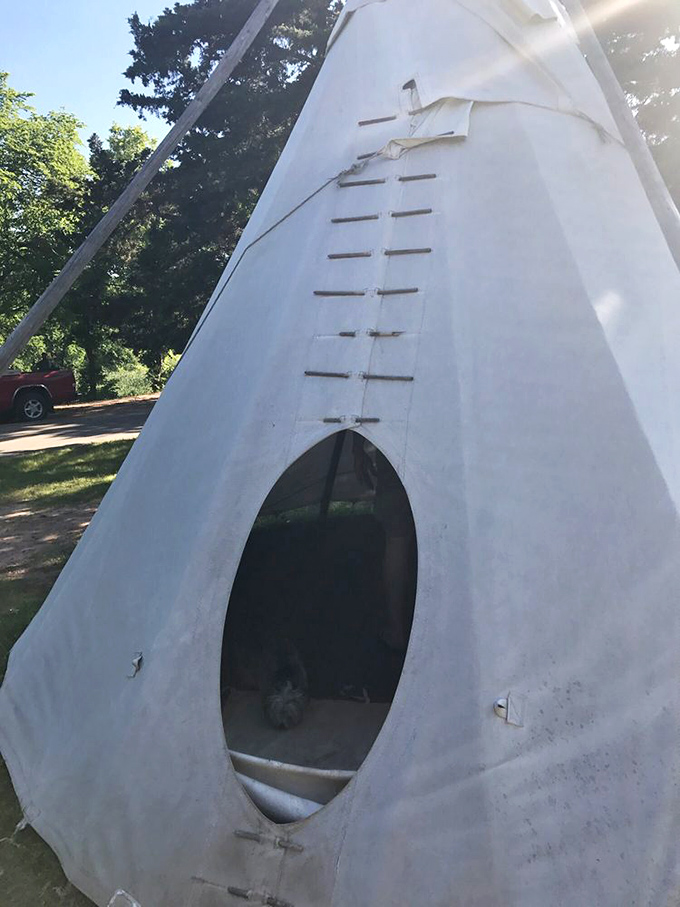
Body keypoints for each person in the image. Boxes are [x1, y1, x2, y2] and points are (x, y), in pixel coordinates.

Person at [353, 434, 416, 651]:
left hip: (400, 440)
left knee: (398, 538)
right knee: (400, 537)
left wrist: (356, 448)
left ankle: (397, 628)